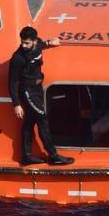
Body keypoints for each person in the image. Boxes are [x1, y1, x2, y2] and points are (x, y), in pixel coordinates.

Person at [8, 26, 74, 166]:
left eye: (26, 43)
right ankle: (53, 155)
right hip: (28, 91)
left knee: (29, 122)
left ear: (34, 41)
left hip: (37, 88)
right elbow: (12, 82)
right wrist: (16, 104)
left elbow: (41, 45)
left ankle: (26, 156)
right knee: (42, 120)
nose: (23, 45)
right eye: (22, 42)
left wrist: (51, 43)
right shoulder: (18, 58)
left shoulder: (38, 44)